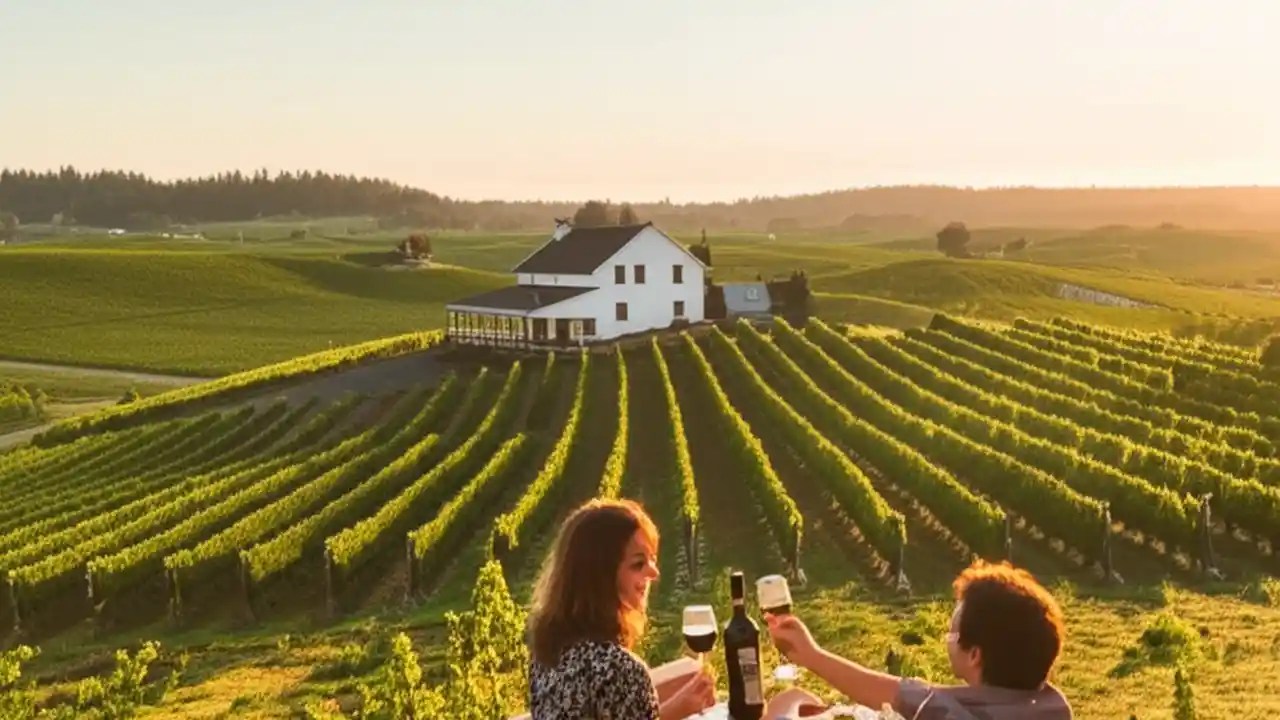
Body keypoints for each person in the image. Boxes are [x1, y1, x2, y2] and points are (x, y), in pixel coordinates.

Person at [765, 561, 1072, 719]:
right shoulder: (1050, 707)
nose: (947, 637)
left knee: (790, 701)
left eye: (952, 631)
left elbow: (893, 693)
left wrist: (809, 654)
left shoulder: (949, 715)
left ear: (975, 655)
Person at [527, 498, 717, 720]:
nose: (654, 573)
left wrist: (679, 707)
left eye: (652, 560)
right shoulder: (620, 670)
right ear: (601, 578)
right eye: (638, 564)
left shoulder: (545, 655)